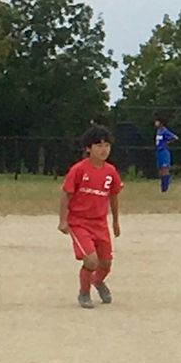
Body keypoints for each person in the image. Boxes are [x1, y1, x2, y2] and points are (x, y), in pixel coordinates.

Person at [59, 125, 123, 309]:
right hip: (79, 222)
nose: (104, 149)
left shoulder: (110, 171)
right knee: (91, 260)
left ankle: (97, 281)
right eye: (98, 145)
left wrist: (116, 221)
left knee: (106, 263)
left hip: (100, 223)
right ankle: (84, 292)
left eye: (107, 145)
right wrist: (63, 220)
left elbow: (114, 195)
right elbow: (66, 194)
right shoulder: (79, 169)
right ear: (88, 148)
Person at [154, 117, 179, 193]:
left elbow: (175, 137)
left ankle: (165, 187)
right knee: (160, 169)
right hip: (158, 151)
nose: (155, 123)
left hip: (164, 151)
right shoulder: (158, 131)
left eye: (157, 122)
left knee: (165, 168)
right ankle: (163, 185)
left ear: (161, 123)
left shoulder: (165, 131)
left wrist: (168, 142)